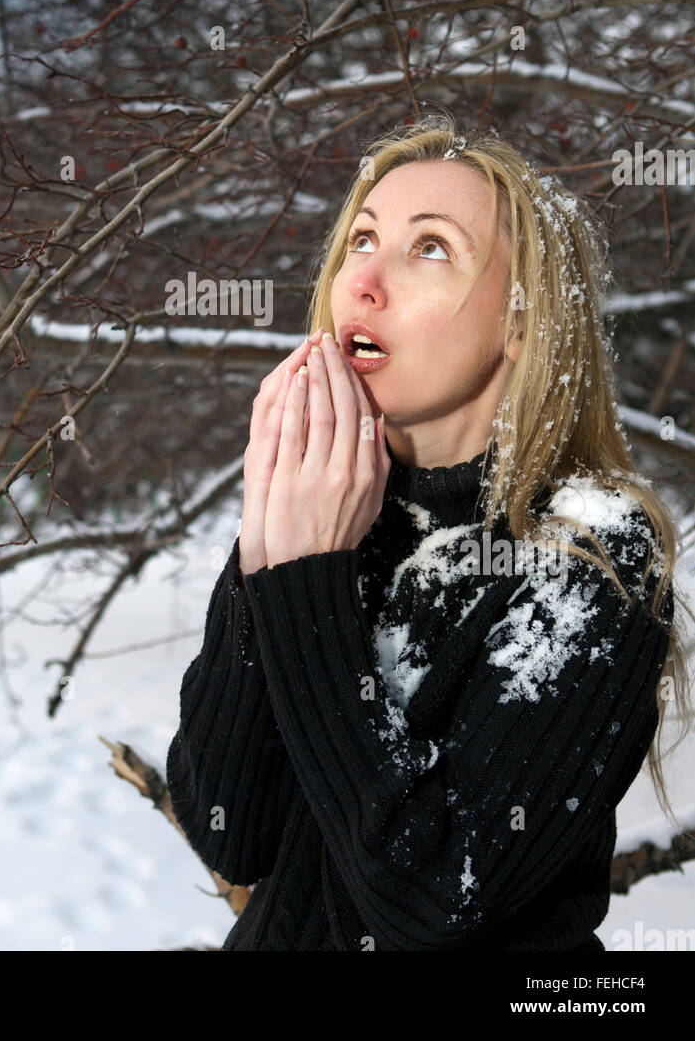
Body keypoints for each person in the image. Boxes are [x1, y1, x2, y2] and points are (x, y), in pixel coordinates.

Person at [165, 113, 691, 951]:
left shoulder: (590, 552)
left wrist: (301, 581)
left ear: (522, 321)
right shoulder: (337, 514)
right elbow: (231, 832)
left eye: (430, 247)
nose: (362, 283)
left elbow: (435, 901)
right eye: (361, 240)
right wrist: (268, 549)